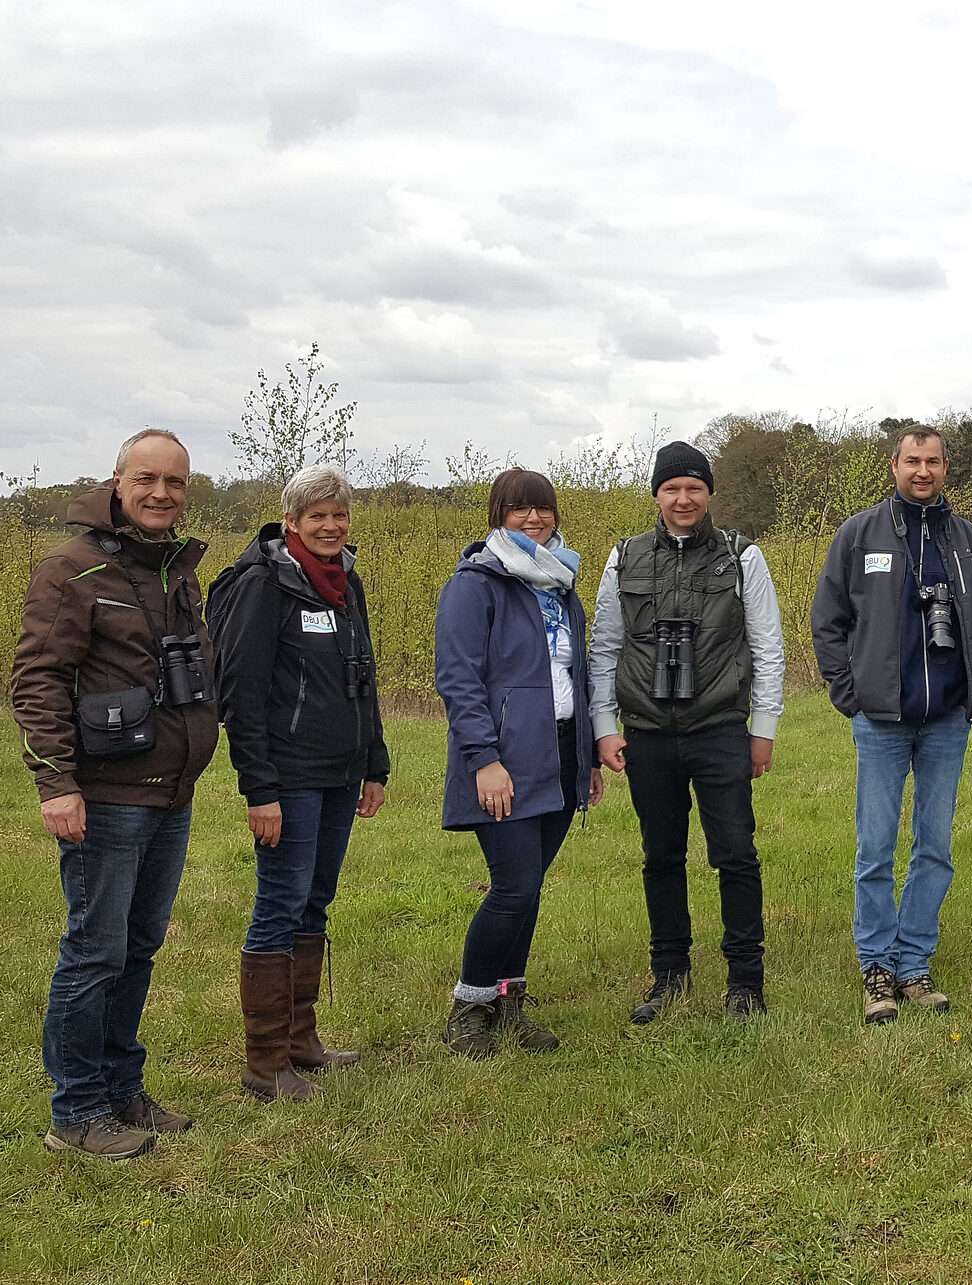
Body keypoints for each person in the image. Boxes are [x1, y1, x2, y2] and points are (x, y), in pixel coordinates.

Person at [12, 429, 218, 1159]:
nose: (163, 493)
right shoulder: (71, 569)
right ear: (117, 480)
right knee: (93, 951)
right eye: (148, 479)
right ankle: (76, 1111)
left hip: (171, 794)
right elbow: (36, 683)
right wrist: (57, 783)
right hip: (105, 796)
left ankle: (122, 1088)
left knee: (138, 947)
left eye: (177, 482)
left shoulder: (178, 570)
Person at [810, 424, 972, 1024]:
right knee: (875, 847)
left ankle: (914, 963)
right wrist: (851, 694)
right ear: (893, 466)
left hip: (948, 719)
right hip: (882, 721)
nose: (922, 472)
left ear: (947, 468)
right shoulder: (860, 534)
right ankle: (876, 966)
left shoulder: (969, 542)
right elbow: (829, 620)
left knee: (936, 847)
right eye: (911, 461)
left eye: (933, 462)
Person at [209, 464, 390, 1099]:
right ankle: (265, 1063)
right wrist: (259, 789)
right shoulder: (266, 584)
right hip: (288, 777)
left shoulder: (348, 583)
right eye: (317, 516)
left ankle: (299, 1040)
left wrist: (376, 763)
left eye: (339, 514)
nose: (331, 525)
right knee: (280, 906)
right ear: (292, 522)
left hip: (342, 772)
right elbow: (241, 692)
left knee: (315, 902)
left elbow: (362, 676)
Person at [589, 442, 784, 1024]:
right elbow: (604, 648)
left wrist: (763, 729)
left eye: (694, 488)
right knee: (661, 857)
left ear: (709, 494)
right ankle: (669, 976)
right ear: (656, 494)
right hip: (647, 732)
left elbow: (767, 647)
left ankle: (746, 981)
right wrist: (604, 726)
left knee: (736, 855)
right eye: (672, 488)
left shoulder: (742, 557)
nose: (683, 499)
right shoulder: (624, 559)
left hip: (720, 728)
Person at [434, 468, 603, 1059]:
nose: (533, 519)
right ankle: (470, 1006)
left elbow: (574, 677)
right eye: (518, 509)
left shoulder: (561, 582)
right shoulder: (475, 583)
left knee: (528, 890)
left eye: (542, 508)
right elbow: (458, 679)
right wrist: (484, 758)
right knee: (514, 885)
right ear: (497, 514)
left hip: (560, 752)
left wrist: (587, 759)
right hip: (503, 757)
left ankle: (509, 1003)